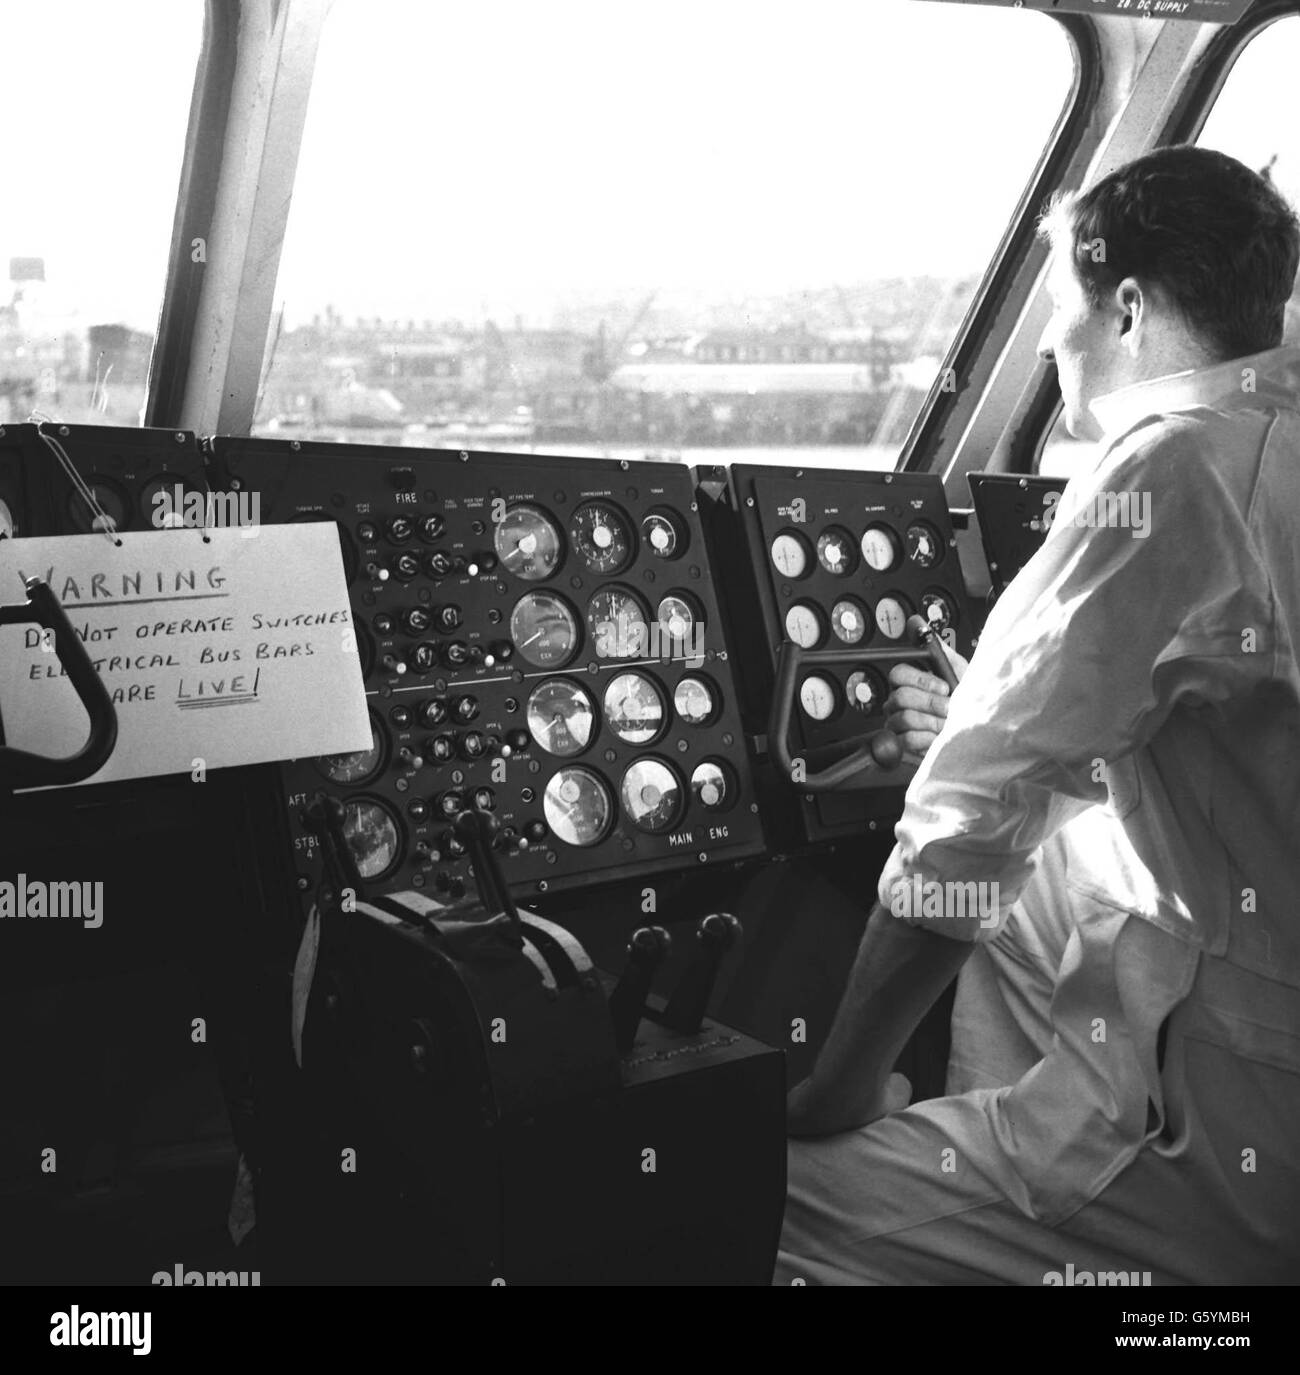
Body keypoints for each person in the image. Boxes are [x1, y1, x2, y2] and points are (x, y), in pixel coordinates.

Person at [776, 145, 1300, 1285]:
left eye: (1058, 303)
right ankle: (999, 1174)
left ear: (1124, 308)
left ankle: (1019, 1206)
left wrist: (839, 1086)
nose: (1045, 336)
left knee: (763, 1206)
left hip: (1239, 1134)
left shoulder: (1173, 473)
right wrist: (1007, 711)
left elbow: (970, 814)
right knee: (1038, 889)